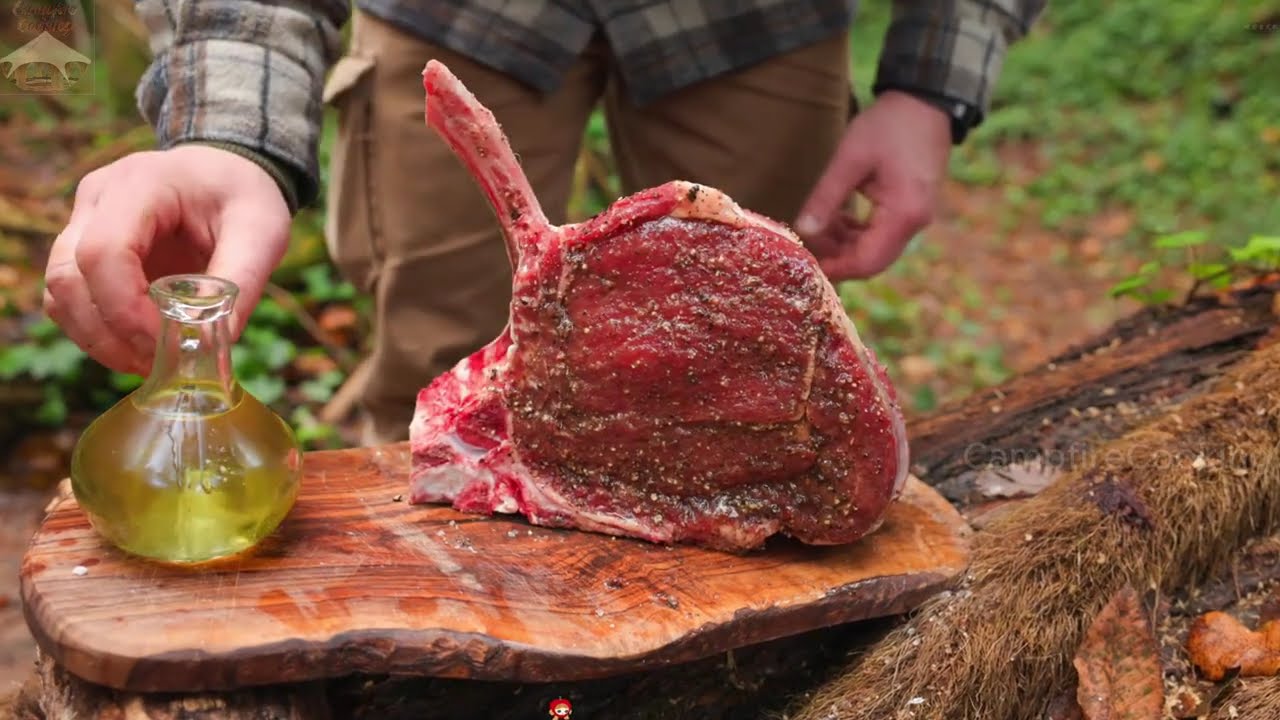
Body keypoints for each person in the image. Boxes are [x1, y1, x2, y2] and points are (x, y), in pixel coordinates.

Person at [43, 0, 1046, 444]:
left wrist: (931, 80)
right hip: (458, 17)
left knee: (741, 387)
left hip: (750, 23)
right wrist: (227, 132)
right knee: (433, 399)